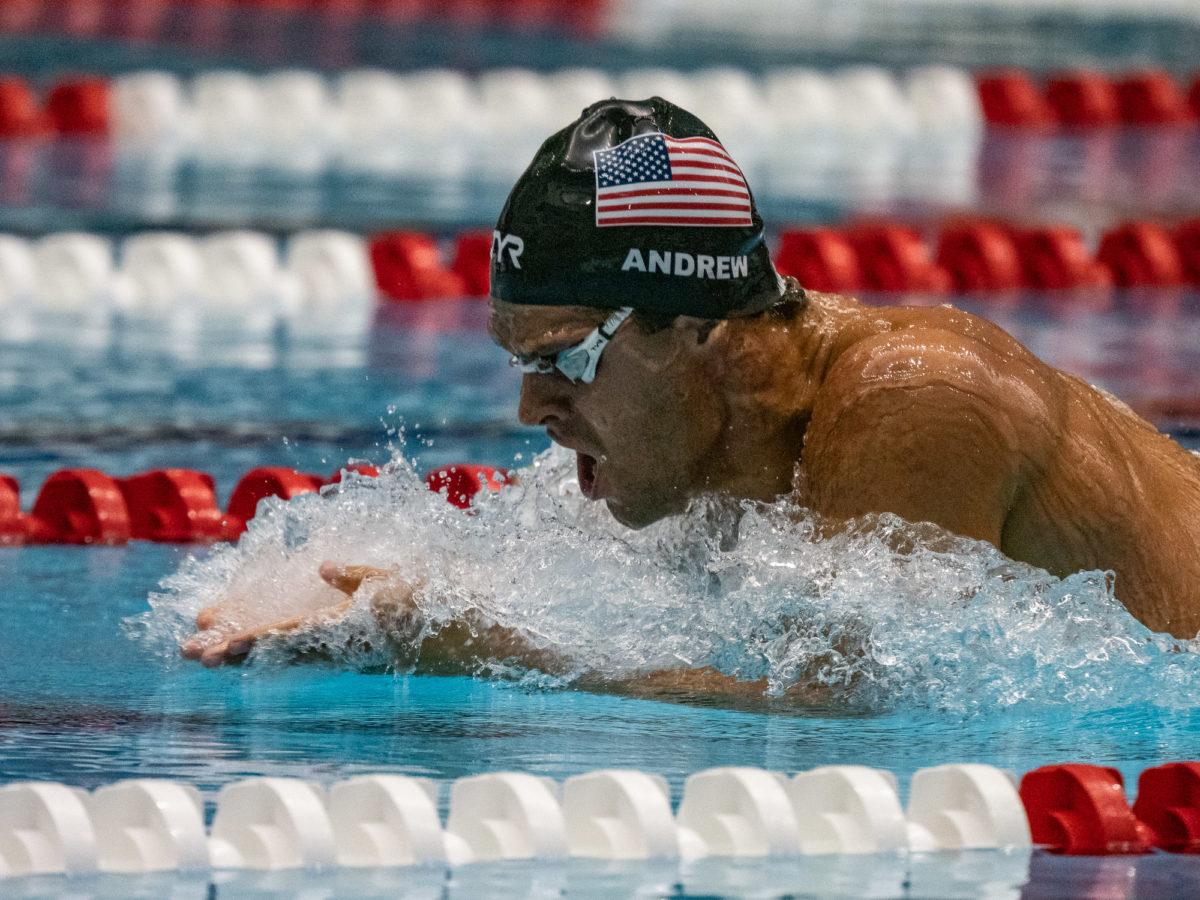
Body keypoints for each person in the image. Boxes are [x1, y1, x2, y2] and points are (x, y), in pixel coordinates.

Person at [182, 97, 1200, 688]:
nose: (529, 411)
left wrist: (483, 649)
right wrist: (352, 600)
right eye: (521, 362)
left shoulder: (915, 401)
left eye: (570, 359)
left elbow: (853, 712)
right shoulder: (712, 441)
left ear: (700, 329)